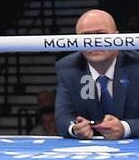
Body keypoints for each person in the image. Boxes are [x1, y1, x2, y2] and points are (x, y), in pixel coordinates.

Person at [55, 9, 136, 140]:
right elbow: (63, 117)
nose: (94, 42)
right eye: (86, 36)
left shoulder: (135, 65)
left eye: (101, 34)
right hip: (89, 153)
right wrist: (75, 129)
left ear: (117, 37)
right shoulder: (68, 68)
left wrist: (125, 127)